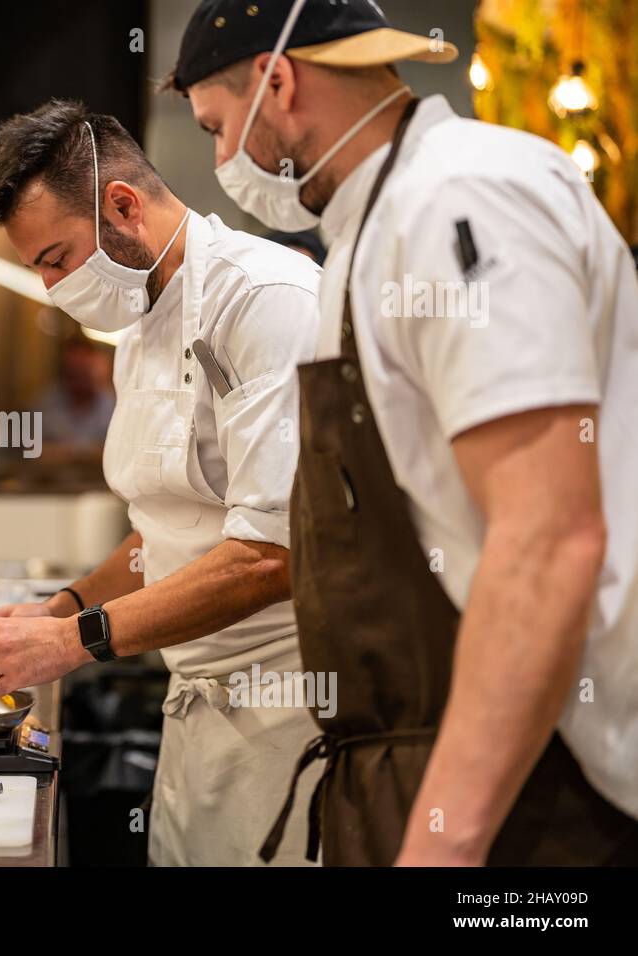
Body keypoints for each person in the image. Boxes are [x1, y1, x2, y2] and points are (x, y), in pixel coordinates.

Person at [168, 0, 638, 864]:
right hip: (418, 761)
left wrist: (443, 842)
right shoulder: (367, 230)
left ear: (278, 83)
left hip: (546, 788)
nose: (222, 158)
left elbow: (547, 539)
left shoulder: (460, 199)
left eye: (217, 126)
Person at [0, 99, 323, 866]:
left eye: (55, 258)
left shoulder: (264, 300)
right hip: (197, 714)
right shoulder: (137, 328)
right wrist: (64, 604)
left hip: (293, 716)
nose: (52, 287)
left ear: (122, 205)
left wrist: (73, 640)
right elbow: (166, 530)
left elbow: (271, 553)